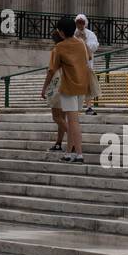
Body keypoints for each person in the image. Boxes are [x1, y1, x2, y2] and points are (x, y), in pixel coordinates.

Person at [39, 15, 90, 162]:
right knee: (73, 120)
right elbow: (88, 59)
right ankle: (68, 153)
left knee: (73, 122)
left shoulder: (59, 47)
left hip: (68, 87)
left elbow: (52, 70)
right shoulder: (81, 43)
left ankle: (79, 154)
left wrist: (44, 88)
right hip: (82, 85)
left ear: (61, 32)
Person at [45, 30, 68, 152]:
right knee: (62, 118)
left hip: (57, 83)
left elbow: (51, 71)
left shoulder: (56, 50)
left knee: (56, 117)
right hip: (67, 82)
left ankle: (74, 138)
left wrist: (44, 87)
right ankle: (58, 143)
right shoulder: (68, 49)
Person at [75, 14, 100, 115]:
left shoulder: (90, 34)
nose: (80, 25)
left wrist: (83, 41)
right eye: (78, 22)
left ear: (85, 23)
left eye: (82, 22)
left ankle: (89, 107)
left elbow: (94, 47)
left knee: (87, 86)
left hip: (87, 65)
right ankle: (75, 108)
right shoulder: (73, 33)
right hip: (74, 64)